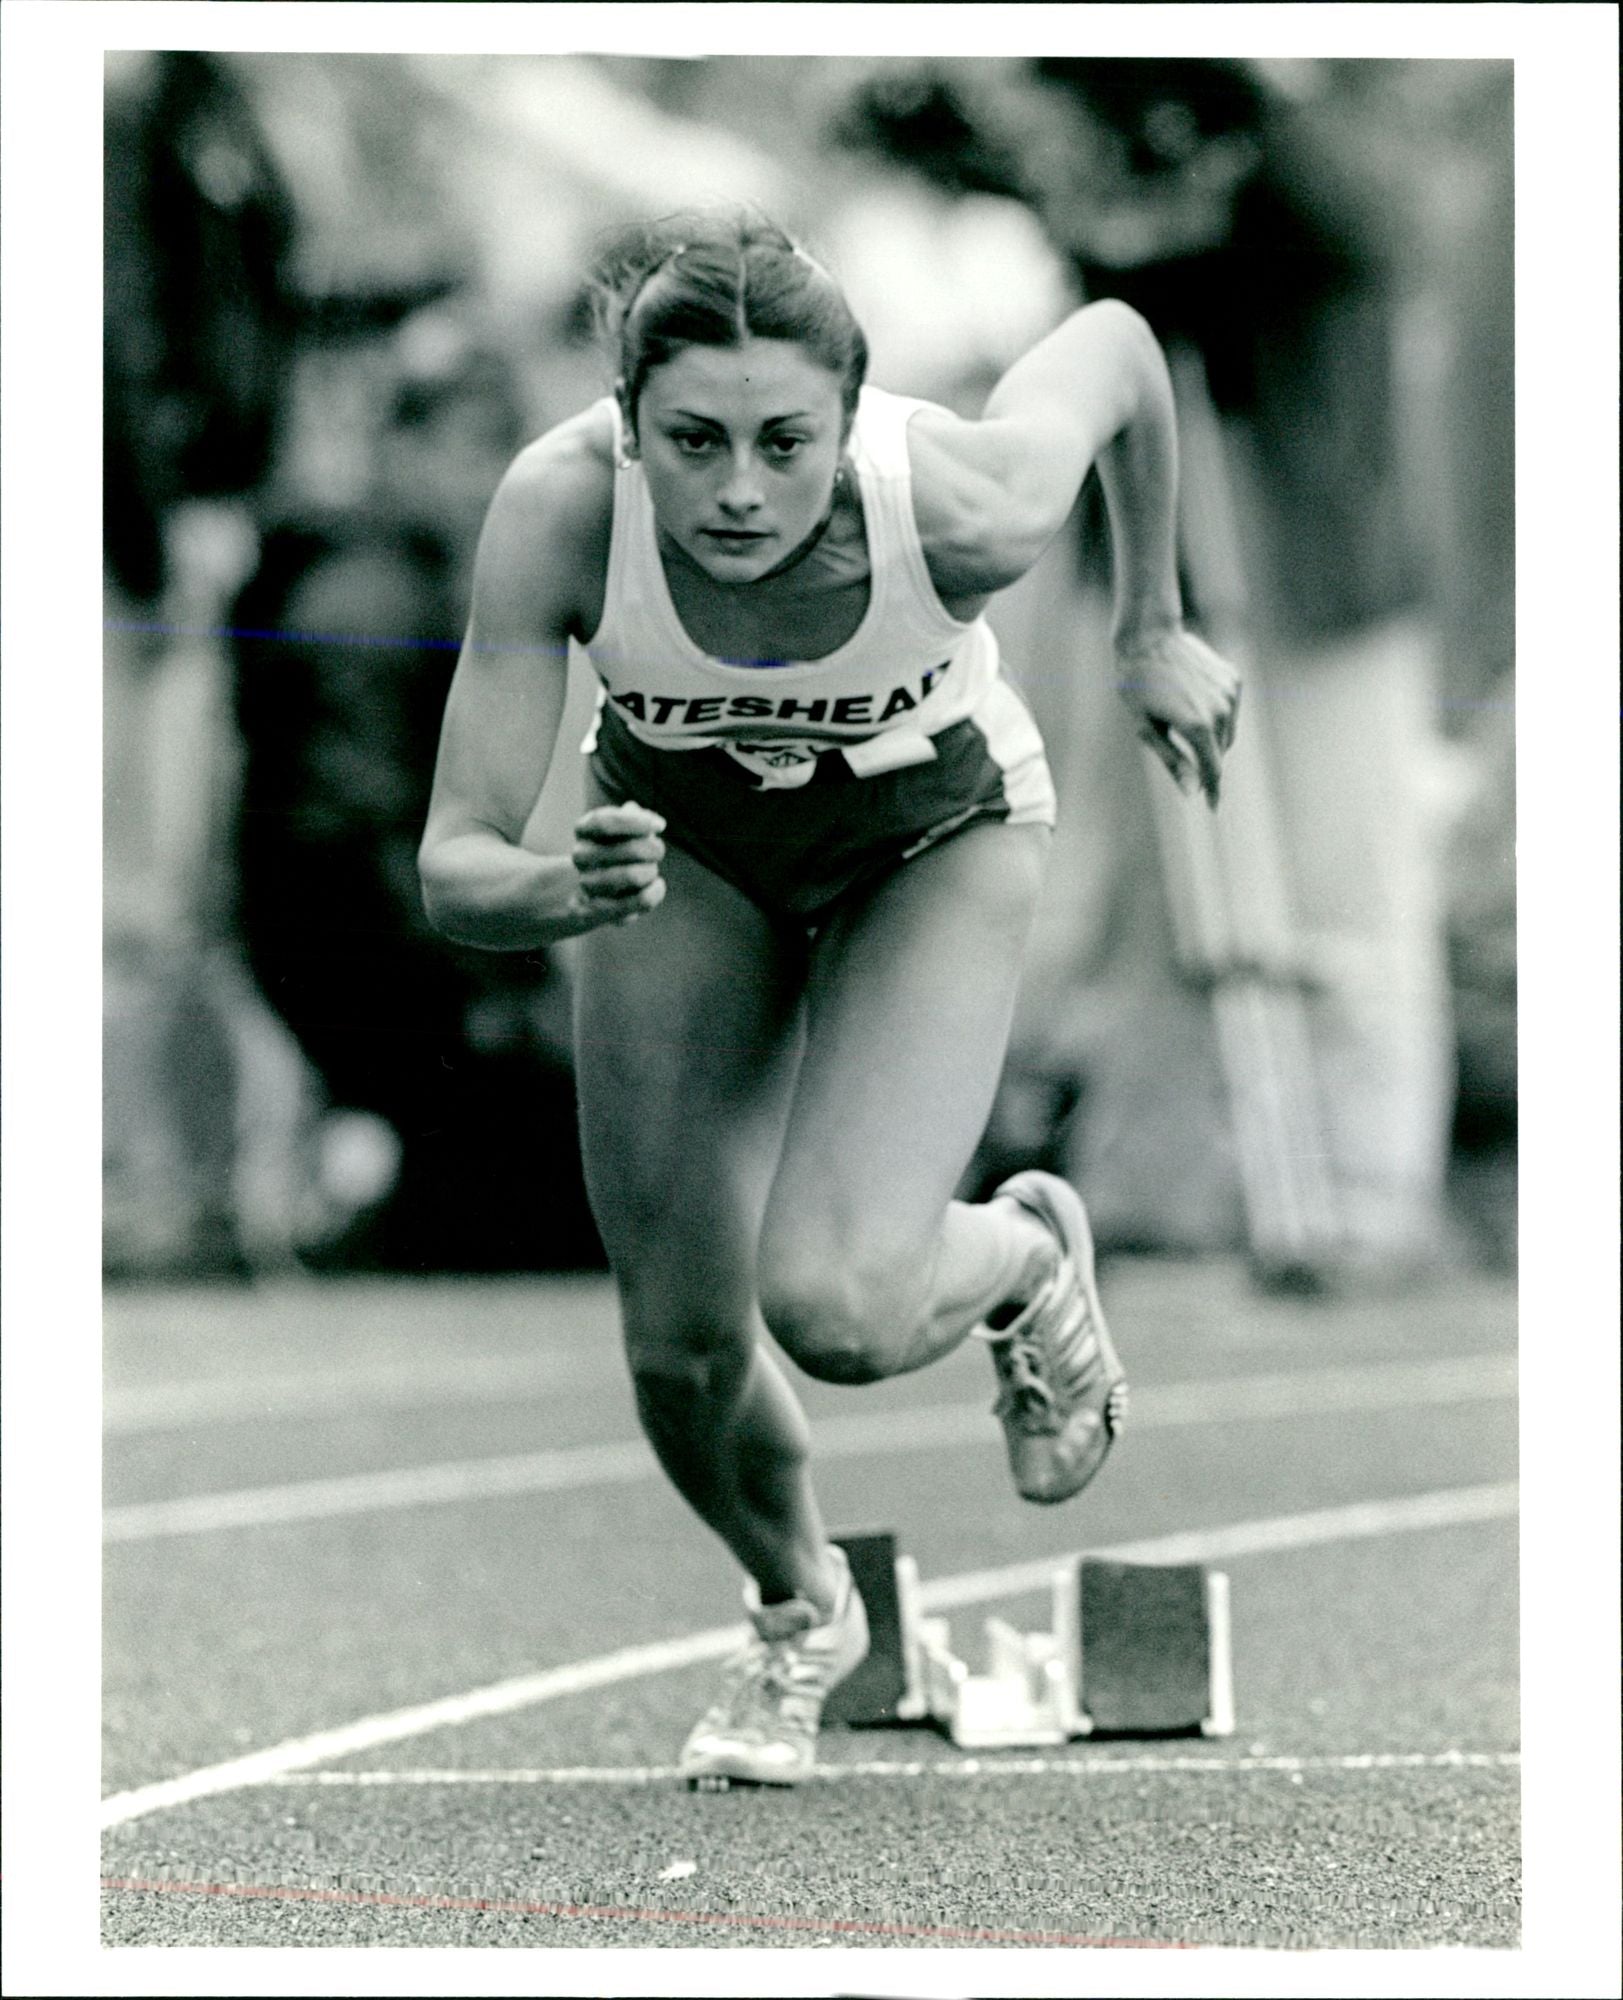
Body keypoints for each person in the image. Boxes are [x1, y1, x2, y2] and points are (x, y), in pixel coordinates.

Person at [418, 210, 1240, 1784]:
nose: (738, 490)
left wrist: (1150, 627)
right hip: (688, 857)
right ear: (626, 425)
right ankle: (802, 1612)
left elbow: (1126, 352)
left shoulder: (964, 502)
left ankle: (1018, 1251)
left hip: (930, 834)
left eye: (785, 441)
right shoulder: (557, 511)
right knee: (677, 1346)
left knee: (840, 1311)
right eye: (694, 442)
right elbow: (455, 864)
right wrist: (557, 890)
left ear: (851, 422)